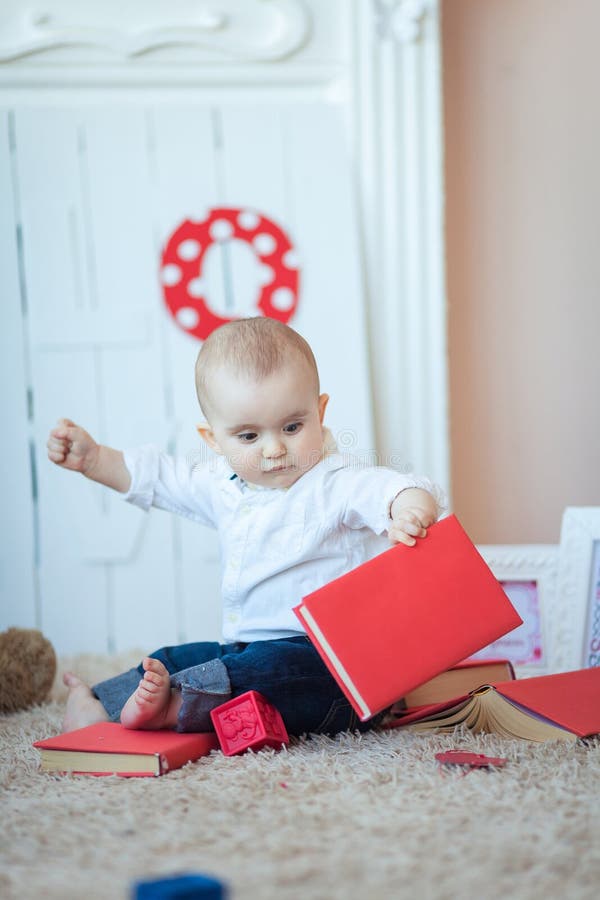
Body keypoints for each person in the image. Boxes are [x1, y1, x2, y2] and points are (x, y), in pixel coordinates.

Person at [47, 317, 443, 737]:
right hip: (244, 651)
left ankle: (180, 706)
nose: (274, 449)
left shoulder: (335, 482)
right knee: (177, 659)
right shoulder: (223, 486)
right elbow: (162, 479)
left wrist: (407, 507)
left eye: (293, 427)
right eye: (249, 436)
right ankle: (100, 703)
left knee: (275, 669)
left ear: (320, 412)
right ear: (215, 439)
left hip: (332, 666)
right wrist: (94, 460)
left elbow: (390, 487)